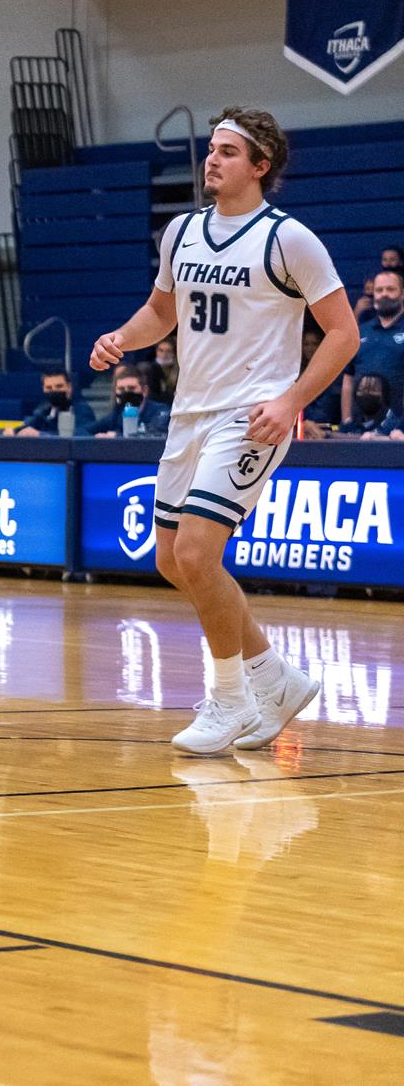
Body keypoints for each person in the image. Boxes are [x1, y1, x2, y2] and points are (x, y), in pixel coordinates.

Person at [90, 107, 357, 756]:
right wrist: (123, 339)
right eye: (212, 149)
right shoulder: (181, 231)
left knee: (196, 554)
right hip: (189, 414)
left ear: (261, 166)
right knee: (167, 558)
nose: (212, 160)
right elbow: (163, 310)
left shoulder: (289, 239)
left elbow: (345, 333)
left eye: (229, 151)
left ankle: (230, 697)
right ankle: (275, 675)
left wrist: (292, 399)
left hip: (251, 414)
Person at [341, 268, 404, 423]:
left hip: (398, 431)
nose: (384, 294)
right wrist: (347, 421)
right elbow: (348, 380)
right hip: (360, 429)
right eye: (379, 290)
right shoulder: (360, 331)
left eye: (390, 289)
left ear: (402, 294)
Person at [6, 369, 97, 437]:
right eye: (49, 388)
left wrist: (41, 435)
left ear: (69, 387)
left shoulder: (82, 410)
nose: (54, 391)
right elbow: (28, 425)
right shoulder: (44, 410)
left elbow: (82, 438)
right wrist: (14, 431)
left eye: (59, 386)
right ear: (43, 389)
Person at [92, 367, 171, 438]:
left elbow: (157, 434)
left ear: (145, 391)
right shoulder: (117, 414)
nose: (126, 393)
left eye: (131, 388)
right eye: (121, 389)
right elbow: (85, 431)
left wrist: (117, 436)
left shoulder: (161, 411)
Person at [339, 375, 404, 438]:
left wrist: (375, 438)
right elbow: (343, 436)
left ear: (384, 395)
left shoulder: (393, 421)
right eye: (361, 390)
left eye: (374, 390)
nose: (367, 394)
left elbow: (387, 437)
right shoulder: (353, 422)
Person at [148, 336, 180, 403]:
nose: (164, 355)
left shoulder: (180, 369)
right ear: (156, 352)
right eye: (161, 350)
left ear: (174, 353)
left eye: (168, 351)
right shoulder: (152, 369)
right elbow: (153, 394)